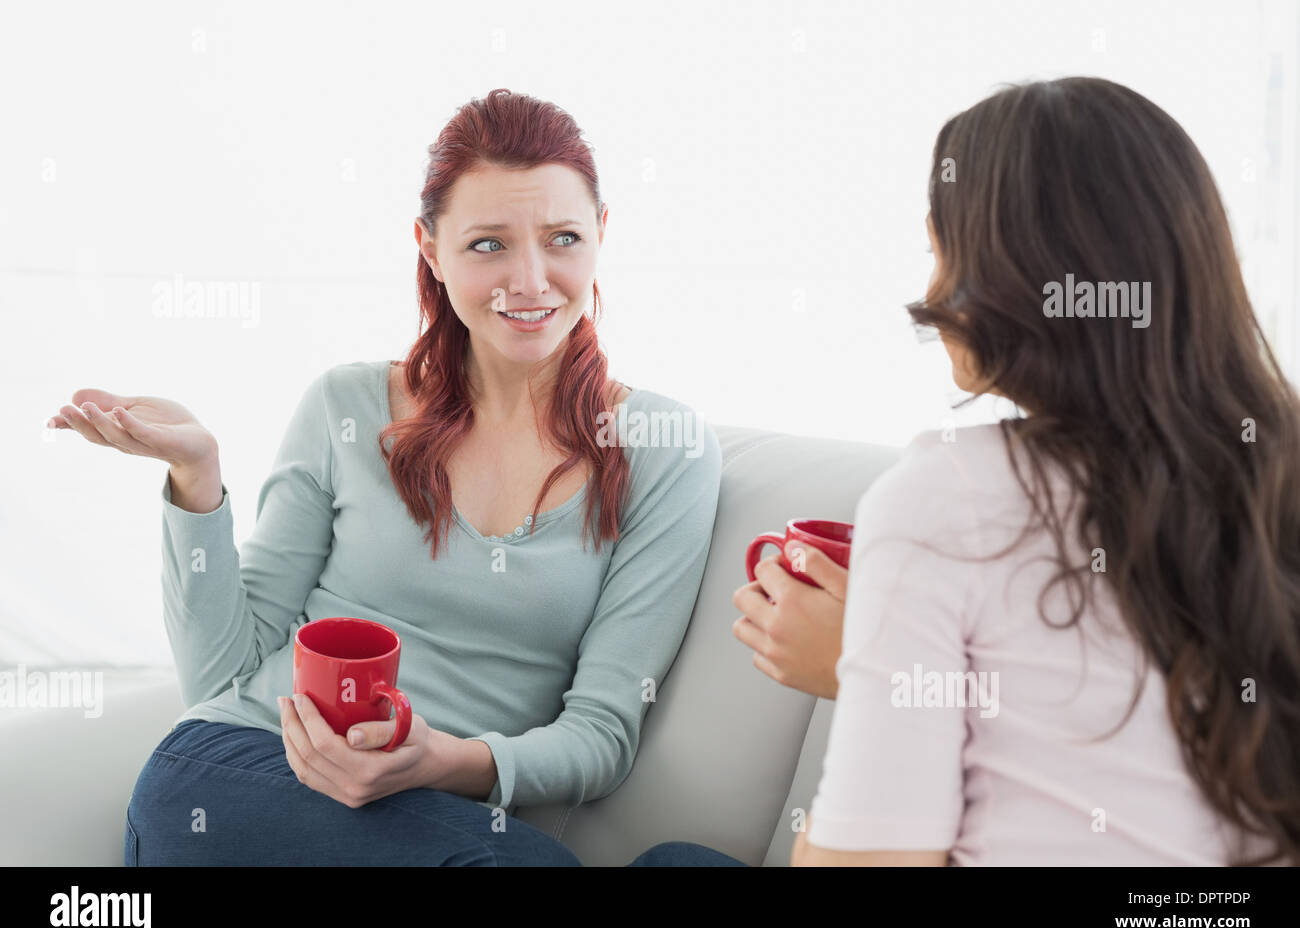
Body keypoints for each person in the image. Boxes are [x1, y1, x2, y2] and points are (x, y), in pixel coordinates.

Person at [50, 88, 733, 866]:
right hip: (233, 773)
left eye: (563, 238)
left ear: (602, 236)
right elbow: (219, 676)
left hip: (441, 820)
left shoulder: (662, 451)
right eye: (487, 245)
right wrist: (195, 478)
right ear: (430, 248)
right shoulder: (346, 408)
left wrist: (447, 761)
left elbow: (602, 735)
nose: (532, 280)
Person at [734, 77, 1300, 866]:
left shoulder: (950, 494)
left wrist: (873, 676)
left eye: (941, 253)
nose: (932, 294)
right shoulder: (1274, 471)